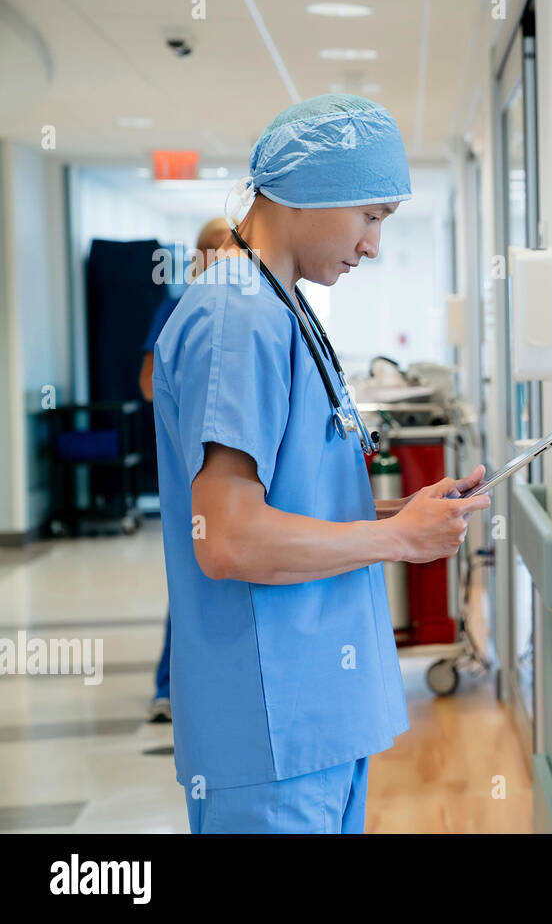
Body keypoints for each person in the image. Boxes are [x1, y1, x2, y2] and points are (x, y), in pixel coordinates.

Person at [151, 94, 491, 834]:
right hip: (272, 726)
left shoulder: (280, 307)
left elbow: (290, 499)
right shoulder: (234, 316)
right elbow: (231, 537)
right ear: (311, 190)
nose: (372, 245)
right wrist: (399, 541)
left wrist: (408, 512)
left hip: (315, 721)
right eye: (370, 216)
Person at [140, 217, 229, 724]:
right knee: (191, 566)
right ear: (198, 257)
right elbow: (150, 384)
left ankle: (203, 684)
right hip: (188, 459)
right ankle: (169, 687)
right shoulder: (175, 309)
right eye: (214, 250)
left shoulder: (245, 309)